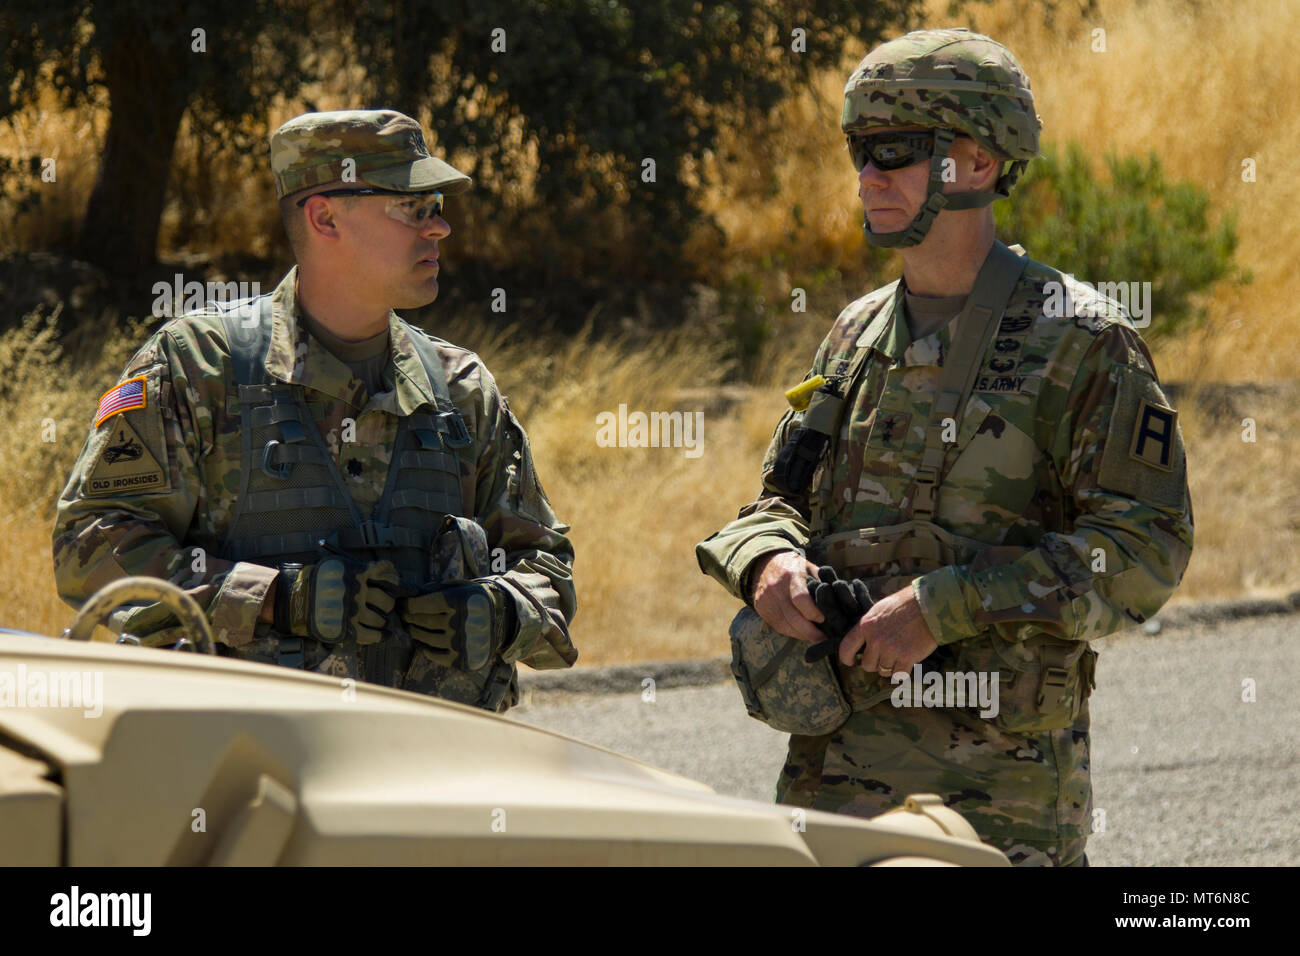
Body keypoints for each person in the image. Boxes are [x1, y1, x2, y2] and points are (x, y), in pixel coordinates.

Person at [696, 28, 1192, 865]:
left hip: (1001, 805)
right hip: (834, 790)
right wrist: (763, 565)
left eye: (895, 151)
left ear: (983, 162)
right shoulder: (855, 333)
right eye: (860, 151)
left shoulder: (1081, 342)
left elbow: (1144, 550)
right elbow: (778, 502)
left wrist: (943, 606)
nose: (868, 177)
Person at [52, 109, 577, 711]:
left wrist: (503, 612)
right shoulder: (200, 368)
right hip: (249, 778)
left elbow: (546, 565)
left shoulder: (460, 389)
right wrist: (276, 598)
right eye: (413, 206)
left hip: (438, 776)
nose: (440, 229)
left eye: (436, 205)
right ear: (325, 216)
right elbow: (88, 547)